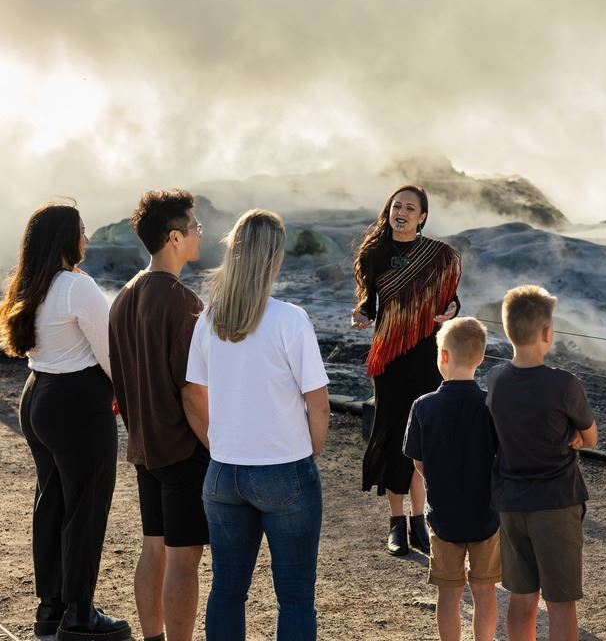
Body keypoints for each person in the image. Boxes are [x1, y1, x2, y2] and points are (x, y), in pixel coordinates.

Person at [186, 208, 330, 640]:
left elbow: (193, 393)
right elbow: (318, 404)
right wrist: (309, 450)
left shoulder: (210, 319)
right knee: (295, 597)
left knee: (227, 591)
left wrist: (219, 445)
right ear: (276, 258)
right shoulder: (290, 319)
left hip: (223, 471)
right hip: (285, 468)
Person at [0, 203, 130, 640]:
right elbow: (112, 352)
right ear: (64, 239)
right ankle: (81, 614)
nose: (87, 239)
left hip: (36, 395)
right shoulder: (77, 286)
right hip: (76, 403)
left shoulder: (28, 283)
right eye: (82, 230)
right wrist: (128, 397)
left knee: (51, 501)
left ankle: (51, 608)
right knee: (86, 507)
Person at [108, 190, 210, 641]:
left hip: (145, 445)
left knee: (154, 548)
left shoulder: (124, 296)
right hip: (183, 447)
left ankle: (152, 638)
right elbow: (192, 390)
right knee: (185, 558)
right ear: (174, 238)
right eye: (194, 228)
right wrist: (217, 445)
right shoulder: (181, 300)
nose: (199, 233)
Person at [351, 184, 461, 556]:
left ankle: (419, 521)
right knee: (392, 434)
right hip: (390, 358)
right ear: (389, 211)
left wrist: (453, 309)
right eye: (397, 206)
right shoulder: (374, 253)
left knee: (421, 438)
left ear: (422, 217)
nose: (402, 212)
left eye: (410, 208)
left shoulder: (437, 255)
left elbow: (450, 299)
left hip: (426, 353)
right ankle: (396, 522)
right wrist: (362, 314)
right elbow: (369, 302)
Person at [486, 284, 597, 641]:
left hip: (511, 502)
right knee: (561, 603)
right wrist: (574, 435)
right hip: (556, 503)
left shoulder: (495, 379)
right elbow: (591, 437)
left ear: (508, 330)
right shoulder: (565, 385)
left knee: (522, 597)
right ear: (548, 332)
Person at [403, 317, 500, 641]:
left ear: (442, 355)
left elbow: (418, 461)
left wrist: (437, 480)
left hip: (443, 516)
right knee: (485, 590)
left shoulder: (423, 406)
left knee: (448, 593)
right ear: (481, 358)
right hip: (486, 514)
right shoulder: (490, 405)